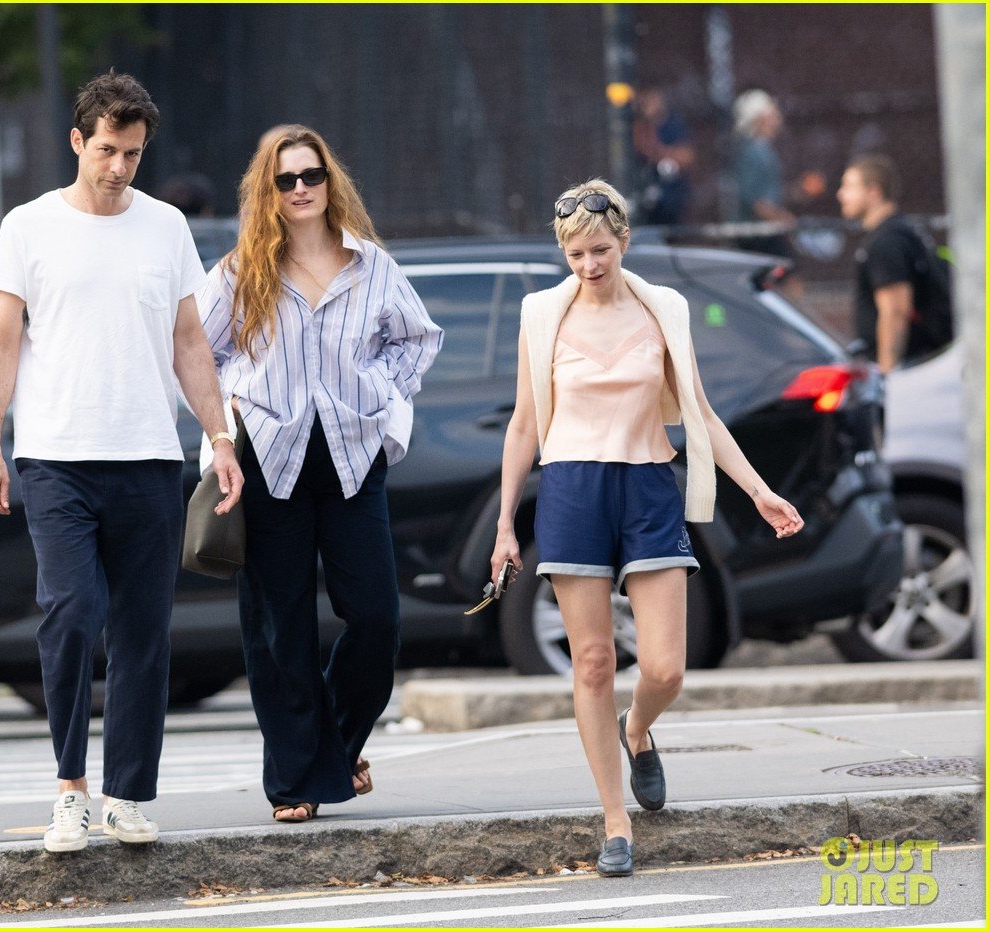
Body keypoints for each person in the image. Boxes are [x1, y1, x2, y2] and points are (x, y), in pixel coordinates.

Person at [489, 180, 803, 876]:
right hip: (572, 487)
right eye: (575, 253)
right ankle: (613, 820)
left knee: (665, 666)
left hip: (648, 483)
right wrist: (507, 523)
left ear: (624, 241)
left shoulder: (664, 309)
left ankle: (637, 728)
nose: (589, 264)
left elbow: (701, 414)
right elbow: (521, 425)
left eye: (600, 249)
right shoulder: (541, 314)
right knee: (593, 662)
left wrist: (758, 491)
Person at [0, 70, 242, 854]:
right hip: (55, 456)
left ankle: (126, 793)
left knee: (142, 630)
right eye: (105, 150)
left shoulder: (165, 228)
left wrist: (219, 438)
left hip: (149, 459)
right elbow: (0, 341)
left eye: (131, 152)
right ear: (76, 141)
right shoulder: (28, 226)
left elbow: (190, 343)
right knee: (70, 613)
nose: (118, 166)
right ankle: (70, 790)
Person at [197, 125, 442, 823]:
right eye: (285, 180)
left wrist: (384, 402)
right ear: (266, 192)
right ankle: (296, 780)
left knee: (376, 617)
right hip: (269, 455)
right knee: (281, 627)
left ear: (330, 182)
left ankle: (331, 745)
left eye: (312, 175)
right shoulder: (238, 274)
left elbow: (419, 340)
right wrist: (229, 414)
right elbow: (195, 354)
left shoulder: (373, 267)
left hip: (351, 452)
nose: (301, 188)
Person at [836, 153, 953, 372]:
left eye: (849, 187)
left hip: (911, 368)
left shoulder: (886, 242)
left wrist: (887, 376)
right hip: (921, 362)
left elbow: (895, 310)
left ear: (874, 192)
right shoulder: (898, 231)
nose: (841, 194)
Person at [732, 89, 794, 257]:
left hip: (766, 231)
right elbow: (756, 203)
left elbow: (769, 192)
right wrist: (784, 219)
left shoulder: (764, 150)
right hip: (756, 234)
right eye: (772, 115)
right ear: (759, 119)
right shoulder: (753, 152)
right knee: (789, 278)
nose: (777, 119)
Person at [633, 87, 694, 226]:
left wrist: (661, 152)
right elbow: (641, 147)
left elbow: (687, 156)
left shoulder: (672, 125)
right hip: (645, 190)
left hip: (671, 192)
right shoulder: (638, 125)